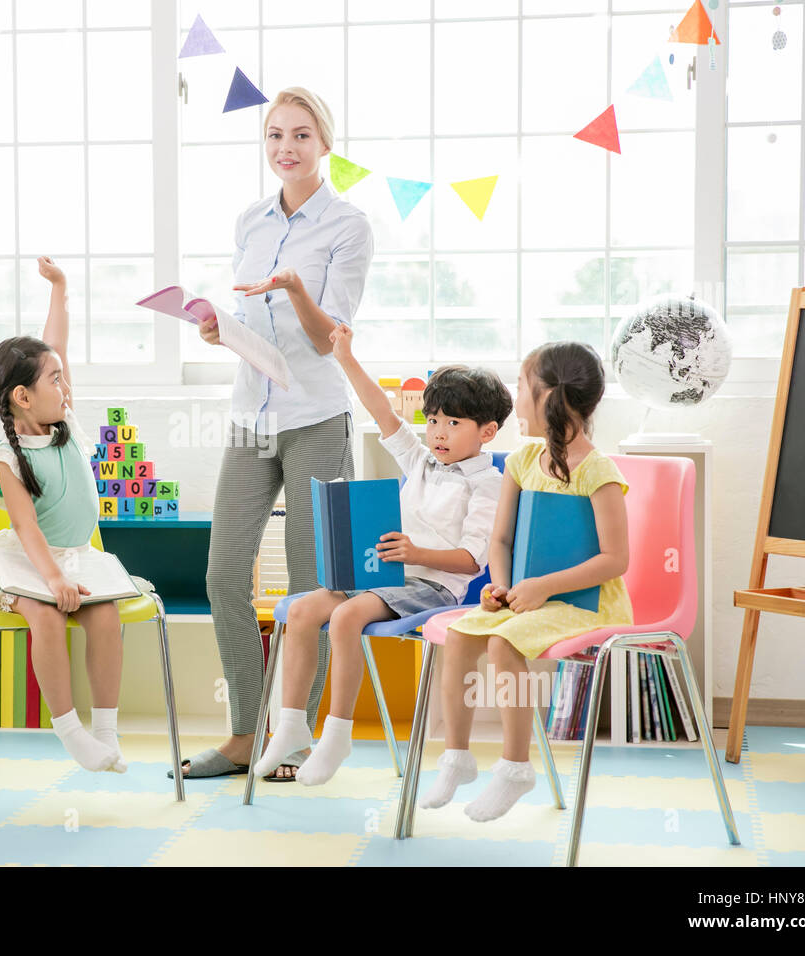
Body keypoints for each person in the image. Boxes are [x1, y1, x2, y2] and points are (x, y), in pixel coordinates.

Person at [182, 87, 374, 780]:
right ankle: (242, 735)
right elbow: (249, 321)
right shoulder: (250, 223)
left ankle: (291, 738)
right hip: (249, 415)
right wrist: (218, 330)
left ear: (324, 143)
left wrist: (296, 290)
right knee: (222, 576)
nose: (285, 148)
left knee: (311, 588)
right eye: (273, 135)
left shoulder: (348, 226)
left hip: (316, 417)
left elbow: (330, 342)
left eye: (299, 135)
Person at [253, 324, 510, 786]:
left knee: (349, 617)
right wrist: (345, 357)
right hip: (385, 578)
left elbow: (474, 560)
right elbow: (382, 411)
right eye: (433, 421)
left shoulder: (487, 482)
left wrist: (417, 550)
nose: (438, 433)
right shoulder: (422, 462)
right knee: (304, 610)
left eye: (454, 423)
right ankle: (290, 729)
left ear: (487, 431)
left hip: (432, 589)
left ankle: (337, 733)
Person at [424, 341, 632, 822]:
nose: (515, 399)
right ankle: (457, 757)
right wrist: (500, 585)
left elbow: (615, 559)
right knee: (459, 636)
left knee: (502, 646)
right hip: (525, 600)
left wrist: (543, 586)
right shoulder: (520, 462)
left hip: (588, 604)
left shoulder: (598, 471)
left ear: (549, 396)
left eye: (521, 387)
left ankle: (516, 767)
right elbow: (499, 542)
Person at [0, 257, 129, 773]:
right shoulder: (8, 459)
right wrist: (52, 581)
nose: (65, 386)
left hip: (76, 556)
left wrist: (60, 287)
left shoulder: (66, 422)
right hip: (26, 562)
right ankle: (70, 731)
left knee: (106, 616)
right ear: (22, 397)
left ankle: (105, 731)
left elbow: (58, 344)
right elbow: (27, 530)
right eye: (54, 380)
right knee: (48, 621)